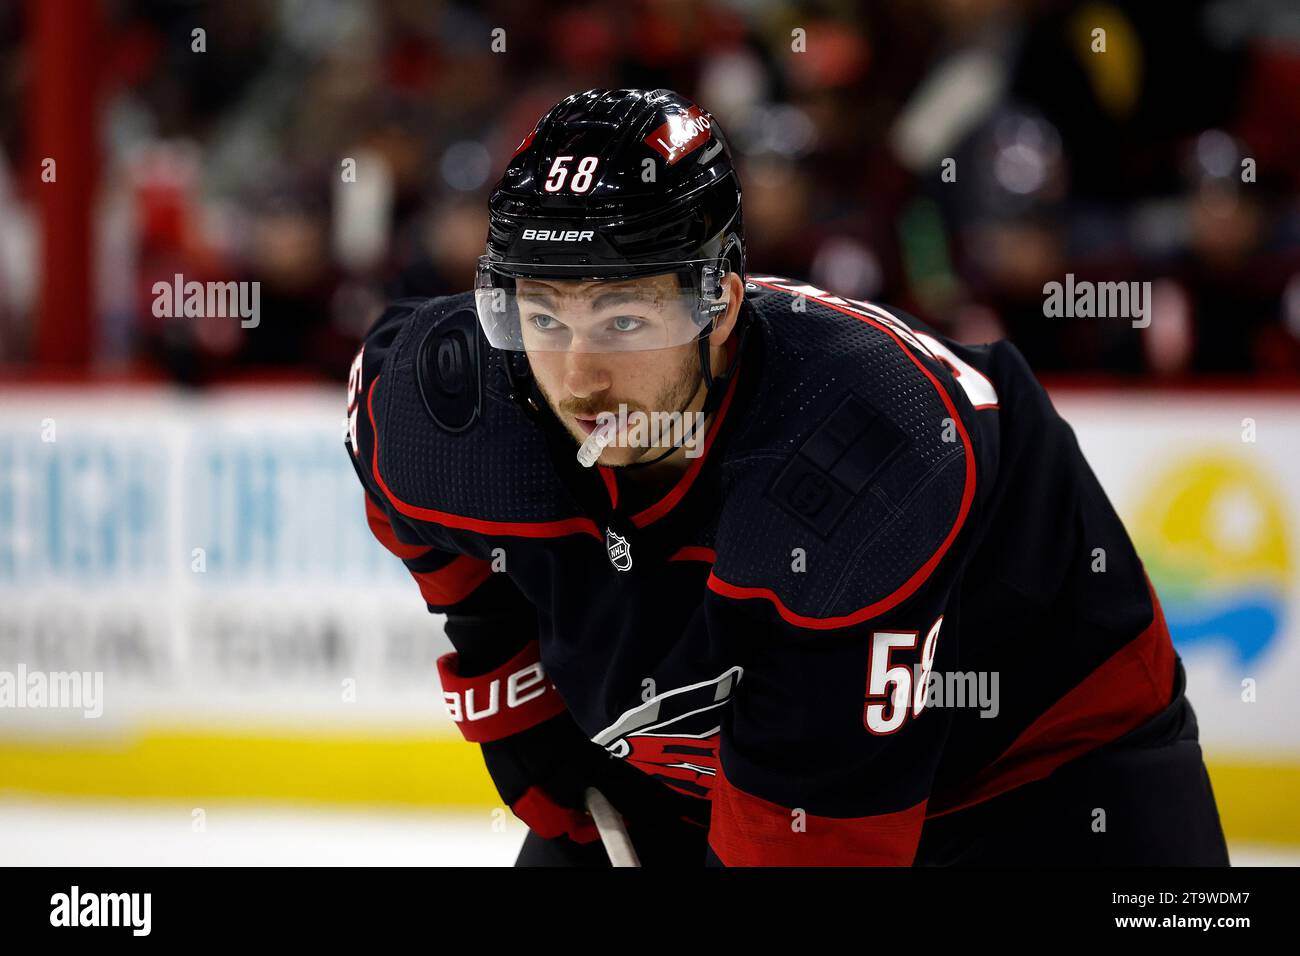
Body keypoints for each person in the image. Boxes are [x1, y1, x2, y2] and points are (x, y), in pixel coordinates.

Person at [344, 88, 1229, 866]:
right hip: (722, 756)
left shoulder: (859, 455)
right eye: (543, 316)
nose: (578, 378)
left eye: (622, 319)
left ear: (720, 304)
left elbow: (813, 843)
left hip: (1045, 765)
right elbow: (402, 493)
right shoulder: (450, 400)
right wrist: (506, 676)